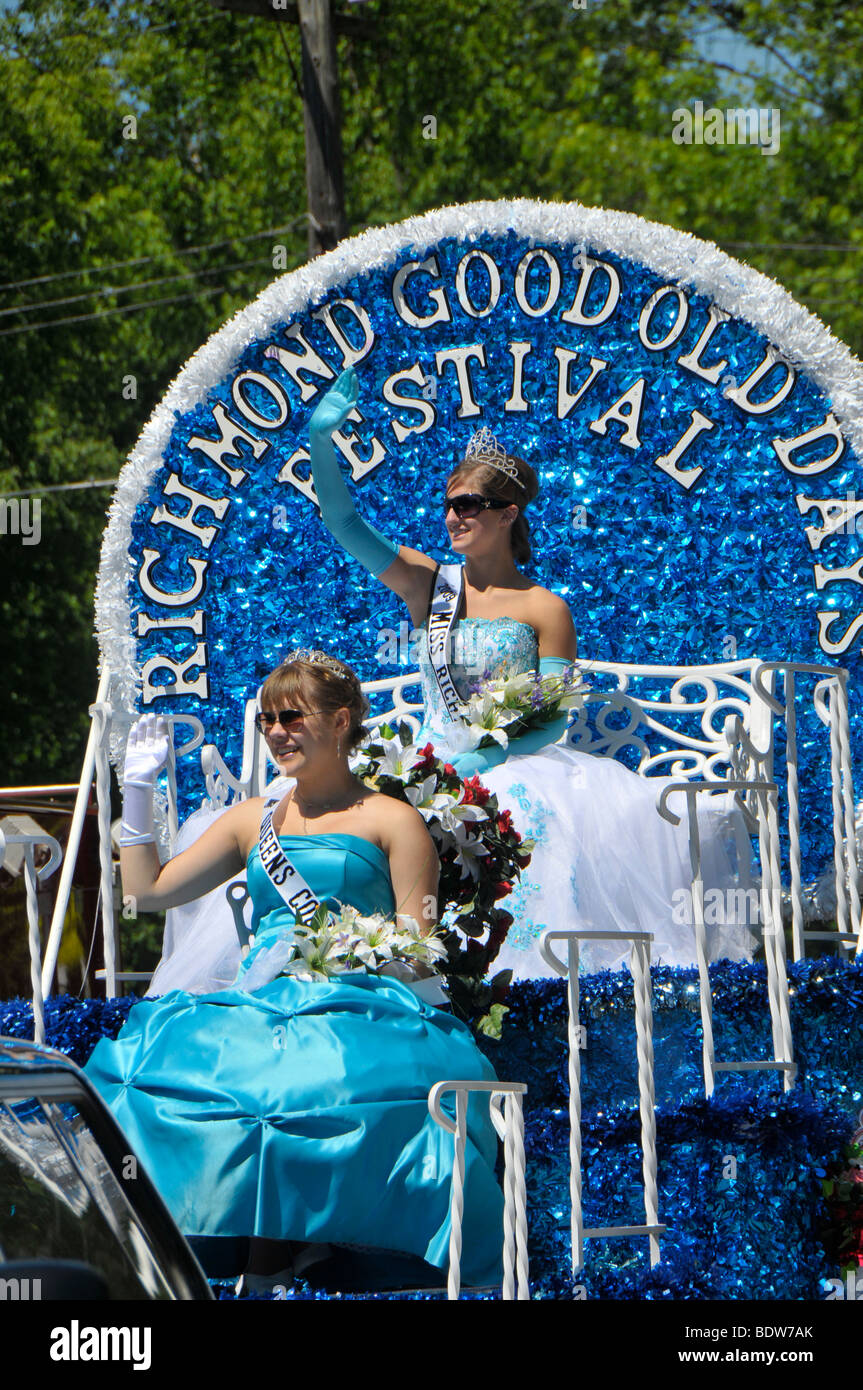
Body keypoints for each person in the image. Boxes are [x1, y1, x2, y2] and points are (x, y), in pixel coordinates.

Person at [307, 367, 756, 979]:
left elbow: (553, 717)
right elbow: (344, 523)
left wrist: (479, 764)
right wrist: (318, 441)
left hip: (516, 766)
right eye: (448, 505)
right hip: (432, 758)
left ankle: (532, 994)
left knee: (523, 818)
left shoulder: (546, 608)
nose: (452, 517)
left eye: (467, 505)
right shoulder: (430, 586)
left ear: (506, 513)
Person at [85, 652, 504, 1291]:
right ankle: (272, 1257)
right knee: (168, 1076)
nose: (277, 731)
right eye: (266, 720)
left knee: (294, 1087)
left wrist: (352, 952)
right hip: (263, 996)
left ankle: (275, 1259)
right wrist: (137, 797)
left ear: (340, 722)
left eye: (292, 717)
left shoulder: (392, 819)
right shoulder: (253, 821)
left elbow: (420, 945)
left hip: (362, 1000)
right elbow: (147, 893)